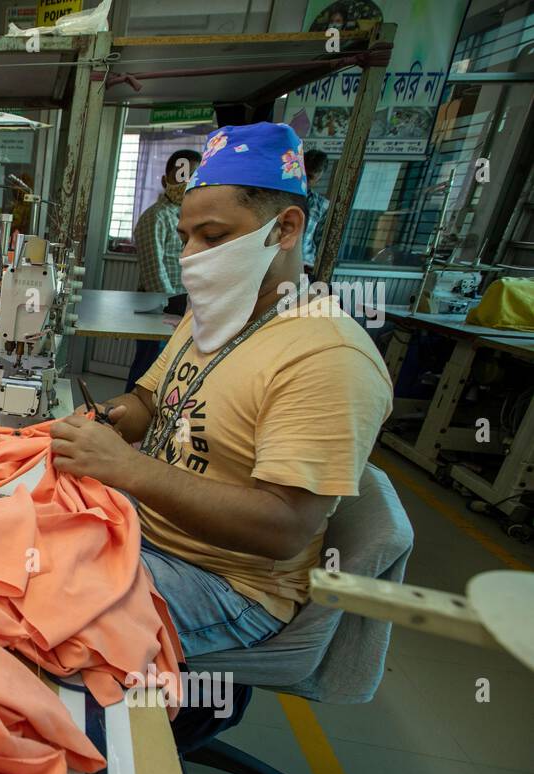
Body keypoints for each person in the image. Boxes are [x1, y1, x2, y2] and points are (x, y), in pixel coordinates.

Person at [50, 122, 392, 659]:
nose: (191, 255)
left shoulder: (327, 358)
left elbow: (282, 527)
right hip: (146, 530)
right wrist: (106, 419)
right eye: (186, 237)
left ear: (285, 228)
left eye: (213, 238)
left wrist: (126, 467)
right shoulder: (212, 316)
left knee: (28, 617)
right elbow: (147, 404)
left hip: (229, 583)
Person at [127, 148, 202, 391]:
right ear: (164, 180)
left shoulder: (191, 219)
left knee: (168, 379)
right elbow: (154, 274)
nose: (185, 182)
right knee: (147, 377)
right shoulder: (156, 218)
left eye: (192, 177)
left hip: (184, 311)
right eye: (179, 176)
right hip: (162, 313)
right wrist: (177, 307)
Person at [302, 149, 331, 268]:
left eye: (309, 177)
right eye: (303, 174)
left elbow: (322, 242)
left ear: (318, 179)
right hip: (272, 261)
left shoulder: (322, 205)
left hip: (305, 263)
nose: (305, 181)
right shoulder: (278, 195)